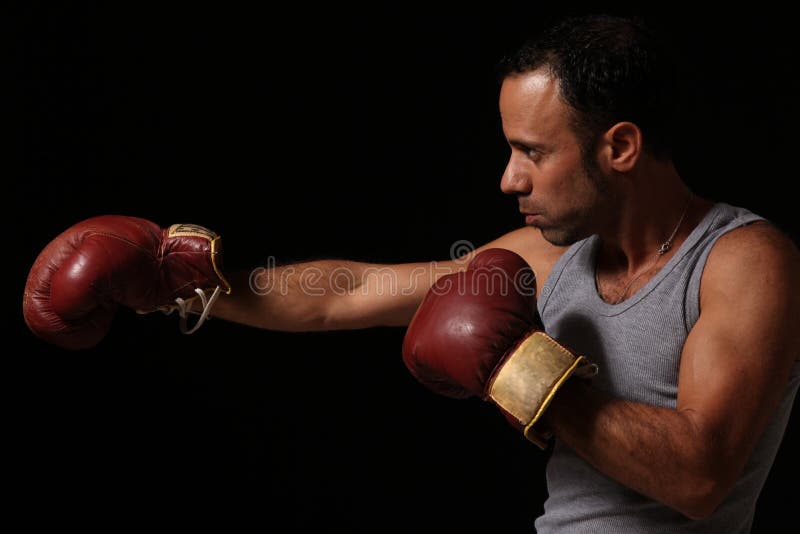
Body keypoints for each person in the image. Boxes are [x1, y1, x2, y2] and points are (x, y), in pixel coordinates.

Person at [22, 13, 799, 533]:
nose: (508, 179)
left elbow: (701, 475)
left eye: (533, 152)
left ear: (620, 147)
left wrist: (519, 369)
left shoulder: (742, 260)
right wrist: (183, 281)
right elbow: (348, 293)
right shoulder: (549, 259)